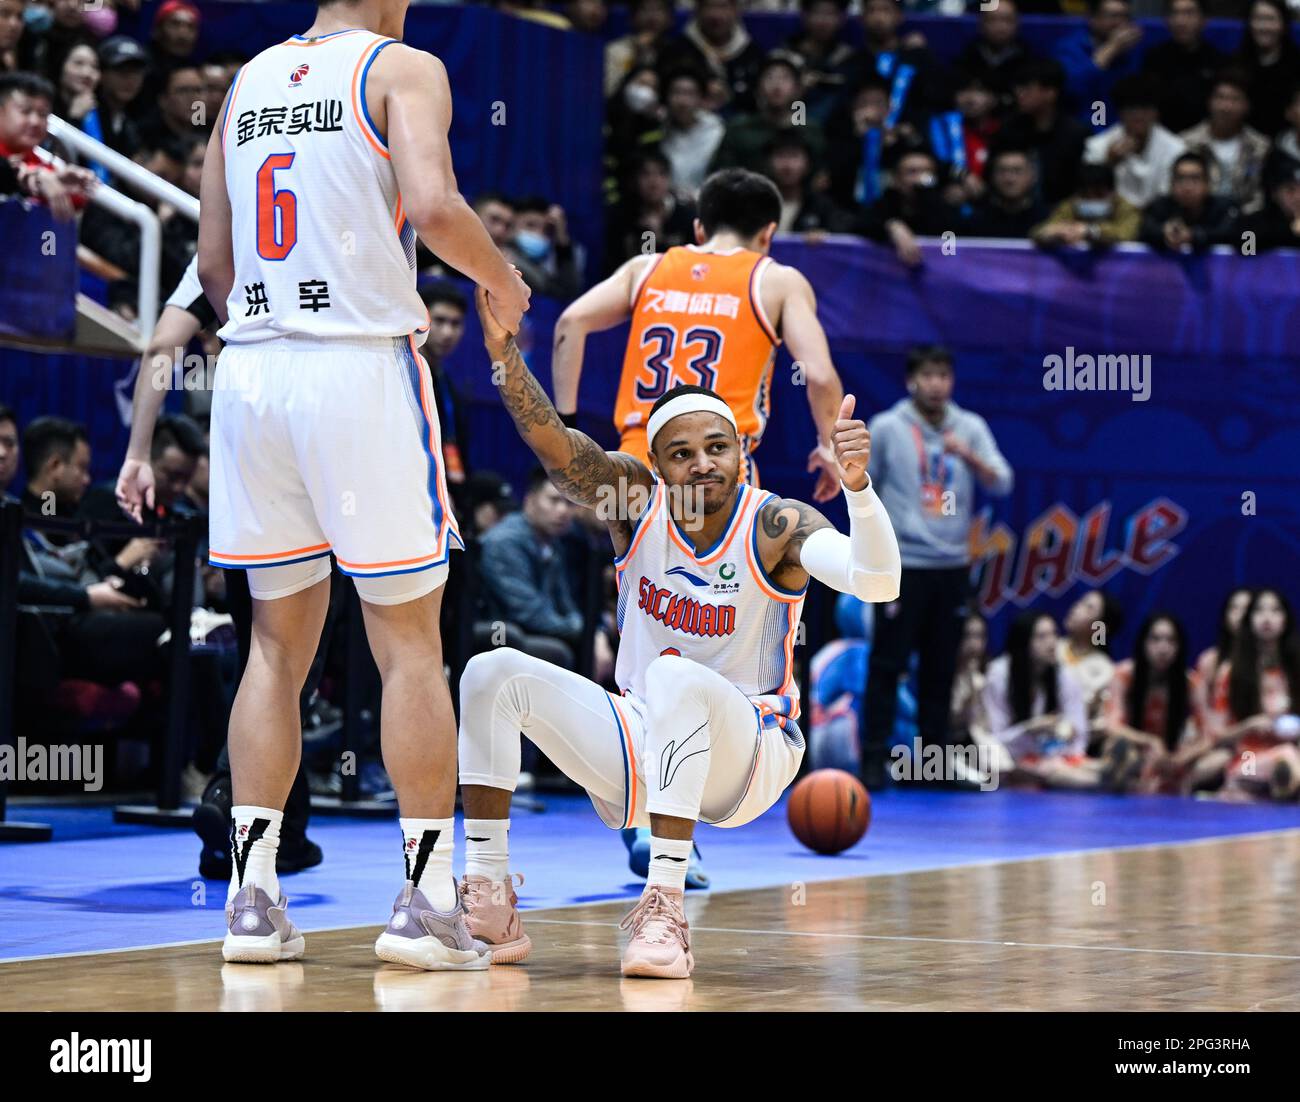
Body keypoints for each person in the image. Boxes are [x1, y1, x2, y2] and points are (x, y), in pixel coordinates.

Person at [117, 0, 531, 970]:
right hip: (357, 366)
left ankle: (252, 901)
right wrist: (502, 278)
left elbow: (213, 264)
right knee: (406, 642)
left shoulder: (244, 83)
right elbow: (432, 207)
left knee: (274, 644)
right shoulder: (403, 68)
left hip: (255, 374)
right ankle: (428, 907)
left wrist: (273, 330)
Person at [457, 287, 901, 977]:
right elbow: (556, 452)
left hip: (750, 754)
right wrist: (505, 357)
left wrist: (859, 490)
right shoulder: (634, 503)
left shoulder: (775, 524)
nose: (703, 463)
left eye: (718, 447)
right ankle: (489, 901)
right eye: (683, 453)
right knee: (490, 674)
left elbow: (877, 582)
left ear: (741, 455)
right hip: (645, 740)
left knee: (674, 674)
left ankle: (663, 907)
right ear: (657, 467)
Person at [554, 167, 845, 501]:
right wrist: (827, 447)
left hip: (638, 467)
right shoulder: (777, 281)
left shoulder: (645, 268)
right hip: (716, 469)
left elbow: (569, 324)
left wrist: (568, 428)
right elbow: (821, 376)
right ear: (768, 234)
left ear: (698, 229)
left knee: (644, 555)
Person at [860, 345, 1013, 789]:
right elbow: (861, 484)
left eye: (944, 375)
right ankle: (873, 760)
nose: (936, 384)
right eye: (928, 375)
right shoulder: (888, 427)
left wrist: (968, 456)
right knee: (887, 663)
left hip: (951, 566)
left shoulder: (969, 427)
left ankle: (933, 766)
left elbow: (1002, 480)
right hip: (902, 566)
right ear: (911, 381)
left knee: (941, 667)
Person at [1196, 588, 1300, 802]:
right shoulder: (1231, 672)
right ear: (1249, 620)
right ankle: (1284, 783)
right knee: (1285, 757)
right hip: (1247, 758)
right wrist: (1250, 725)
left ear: (1286, 620)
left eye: (1275, 610)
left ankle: (1284, 785)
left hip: (1293, 752)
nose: (1267, 617)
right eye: (1259, 610)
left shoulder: (1294, 670)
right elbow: (1217, 734)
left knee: (1289, 756)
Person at [477, 467, 584, 668]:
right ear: (530, 500)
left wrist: (593, 632)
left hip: (524, 630)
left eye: (569, 503)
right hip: (498, 632)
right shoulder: (505, 541)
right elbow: (529, 613)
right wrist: (583, 630)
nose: (562, 510)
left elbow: (565, 604)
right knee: (560, 651)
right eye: (554, 500)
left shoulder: (553, 543)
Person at [979, 611, 1096, 789]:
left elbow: (1079, 734)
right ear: (1023, 642)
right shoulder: (999, 674)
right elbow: (995, 738)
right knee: (1048, 771)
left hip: (1054, 755)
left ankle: (1105, 772)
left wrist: (1063, 734)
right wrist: (1029, 729)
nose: (1051, 643)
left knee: (1063, 766)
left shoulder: (1065, 675)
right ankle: (1104, 777)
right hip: (1009, 759)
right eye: (1041, 636)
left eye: (1054, 634)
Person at [1100, 613, 1202, 794]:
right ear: (1143, 644)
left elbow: (1210, 735)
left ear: (1179, 647)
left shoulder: (1190, 682)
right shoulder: (1123, 675)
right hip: (1135, 751)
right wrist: (1149, 742)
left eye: (1171, 641)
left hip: (1173, 758)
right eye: (1155, 639)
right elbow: (1112, 726)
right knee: (1120, 749)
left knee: (1219, 759)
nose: (1163, 648)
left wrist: (1182, 758)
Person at [993, 58, 1089, 205]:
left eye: (1026, 88)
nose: (1019, 94)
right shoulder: (1008, 130)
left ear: (1050, 93)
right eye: (1018, 87)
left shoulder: (1076, 135)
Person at [1084, 75, 1185, 211]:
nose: (1138, 116)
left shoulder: (1176, 149)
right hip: (1110, 218)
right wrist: (1108, 164)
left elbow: (1170, 197)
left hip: (1157, 219)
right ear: (1120, 113)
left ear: (1156, 112)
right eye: (1131, 109)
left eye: (1145, 108)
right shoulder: (1098, 146)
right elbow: (1086, 196)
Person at [1178, 73, 1269, 216]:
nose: (1226, 107)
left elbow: (1258, 195)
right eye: (1220, 98)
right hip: (1197, 220)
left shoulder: (1260, 146)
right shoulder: (1187, 142)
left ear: (1247, 106)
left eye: (1235, 99)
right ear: (1209, 101)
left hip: (1245, 222)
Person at [1139, 0, 1224, 135]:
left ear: (1204, 19)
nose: (1180, 21)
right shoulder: (1154, 58)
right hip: (1162, 136)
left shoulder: (1218, 60)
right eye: (1175, 13)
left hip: (1204, 137)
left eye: (1189, 13)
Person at [1054, 0, 1144, 126]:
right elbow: (1071, 90)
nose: (1120, 23)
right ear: (1092, 18)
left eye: (1125, 17)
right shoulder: (1068, 48)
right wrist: (1111, 49)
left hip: (1122, 129)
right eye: (1113, 16)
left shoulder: (1133, 52)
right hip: (1080, 128)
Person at [1139, 151, 1237, 251]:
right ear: (1171, 183)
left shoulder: (1224, 207)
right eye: (1180, 179)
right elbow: (1144, 231)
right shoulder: (1158, 206)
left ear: (1207, 183)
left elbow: (1231, 234)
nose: (1187, 187)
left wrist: (1193, 236)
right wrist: (1163, 232)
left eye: (1195, 179)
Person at [1232, 0, 1300, 138]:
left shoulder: (1297, 64)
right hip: (1245, 142)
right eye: (1258, 19)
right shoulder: (1235, 63)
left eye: (1270, 19)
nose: (1264, 27)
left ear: (1283, 24)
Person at [1032, 162, 1140, 248]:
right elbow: (1038, 231)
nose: (1092, 199)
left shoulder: (1126, 208)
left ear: (1113, 193)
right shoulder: (1070, 205)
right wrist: (1054, 232)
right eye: (1085, 195)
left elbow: (1127, 233)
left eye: (1099, 194)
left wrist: (1091, 231)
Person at [659, 67, 725, 199]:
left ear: (701, 99)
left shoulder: (717, 132)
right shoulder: (657, 132)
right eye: (676, 92)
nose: (682, 102)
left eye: (690, 94)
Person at [1192, 586, 1253, 722]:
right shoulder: (1209, 660)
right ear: (1225, 617)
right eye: (1235, 608)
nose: (1242, 615)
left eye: (1248, 609)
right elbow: (1201, 710)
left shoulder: (1272, 659)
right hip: (1219, 737)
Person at [963, 147, 1048, 239]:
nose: (1009, 179)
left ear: (1033, 176)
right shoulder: (975, 223)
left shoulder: (1047, 221)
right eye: (1002, 171)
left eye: (1017, 171)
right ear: (992, 176)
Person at [1236, 150, 1300, 251]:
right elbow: (1246, 248)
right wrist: (1290, 232)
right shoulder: (1257, 221)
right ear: (1274, 194)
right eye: (1290, 190)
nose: (1298, 197)